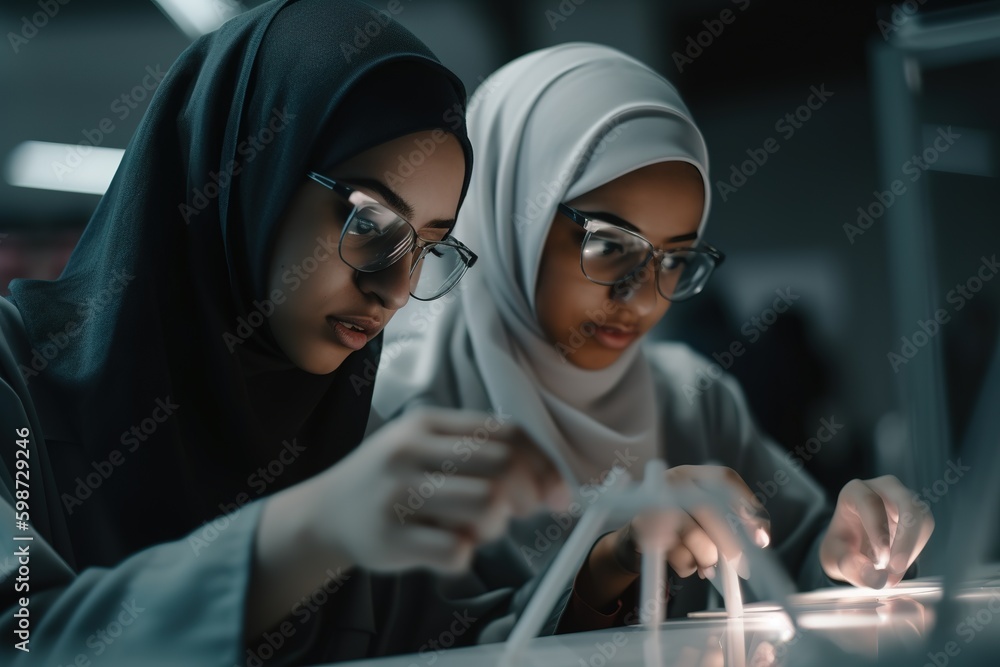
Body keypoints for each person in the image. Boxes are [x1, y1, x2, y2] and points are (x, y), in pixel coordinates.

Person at [0, 1, 568, 664]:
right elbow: (24, 641)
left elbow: (463, 641)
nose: (392, 290)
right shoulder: (16, 393)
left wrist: (604, 576)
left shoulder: (354, 432)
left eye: (427, 248)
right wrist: (307, 531)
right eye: (371, 223)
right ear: (243, 173)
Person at [371, 42, 935, 630]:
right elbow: (418, 648)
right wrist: (611, 561)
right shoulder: (399, 421)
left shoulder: (691, 399)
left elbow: (799, 563)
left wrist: (845, 552)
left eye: (675, 261)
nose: (642, 298)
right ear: (510, 215)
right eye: (611, 247)